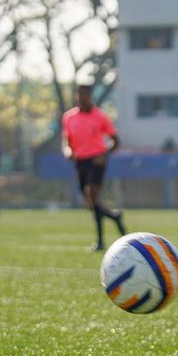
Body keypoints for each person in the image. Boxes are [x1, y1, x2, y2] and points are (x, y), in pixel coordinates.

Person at [61, 84, 126, 251]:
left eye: (86, 94)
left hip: (96, 161)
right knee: (90, 203)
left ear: (91, 96)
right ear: (76, 96)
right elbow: (66, 142)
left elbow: (115, 141)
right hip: (80, 162)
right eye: (80, 93)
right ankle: (114, 217)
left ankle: (100, 241)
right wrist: (68, 151)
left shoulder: (100, 117)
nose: (83, 97)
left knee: (92, 194)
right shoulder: (69, 117)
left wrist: (104, 155)